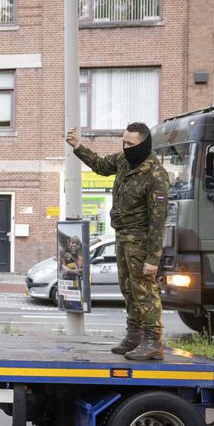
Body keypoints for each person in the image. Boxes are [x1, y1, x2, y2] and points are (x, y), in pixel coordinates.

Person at [67, 122, 169, 360]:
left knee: (144, 290)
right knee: (128, 290)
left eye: (130, 144)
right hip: (122, 236)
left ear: (143, 144)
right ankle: (134, 336)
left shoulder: (155, 174)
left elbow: (158, 220)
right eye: (123, 142)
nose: (125, 147)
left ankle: (153, 341)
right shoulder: (124, 160)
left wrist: (153, 258)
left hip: (142, 240)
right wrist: (78, 146)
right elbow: (102, 166)